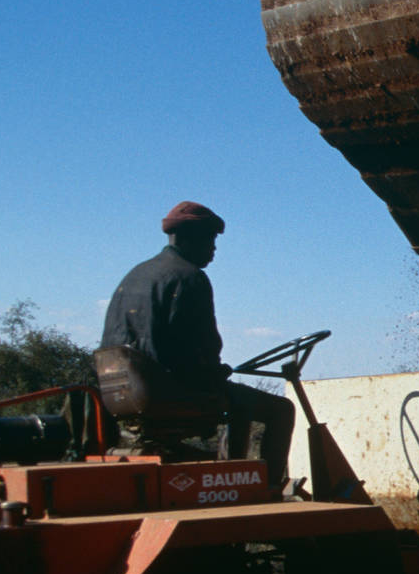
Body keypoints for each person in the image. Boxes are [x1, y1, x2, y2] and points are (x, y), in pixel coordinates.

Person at [101, 201, 295, 487]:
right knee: (280, 410)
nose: (213, 249)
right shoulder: (190, 278)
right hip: (170, 391)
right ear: (187, 237)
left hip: (127, 395)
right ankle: (265, 489)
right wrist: (214, 373)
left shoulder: (135, 275)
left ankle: (236, 478)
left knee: (232, 395)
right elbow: (200, 347)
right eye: (210, 239)